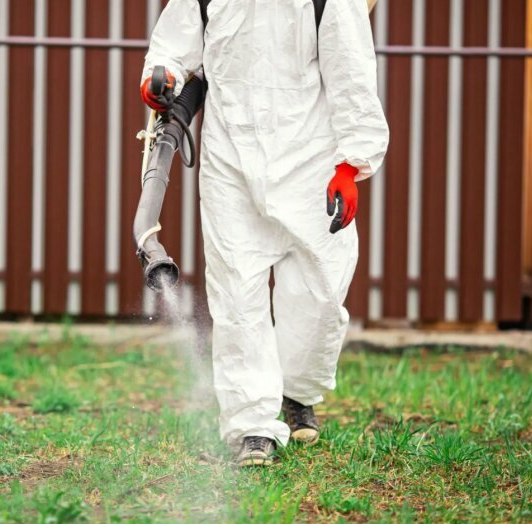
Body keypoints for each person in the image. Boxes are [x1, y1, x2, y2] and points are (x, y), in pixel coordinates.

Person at [140, 0, 389, 467]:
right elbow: (173, 46)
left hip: (312, 161)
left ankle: (298, 392)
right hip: (231, 161)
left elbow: (352, 74)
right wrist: (162, 79)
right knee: (237, 293)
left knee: (319, 295)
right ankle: (252, 426)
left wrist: (350, 164)